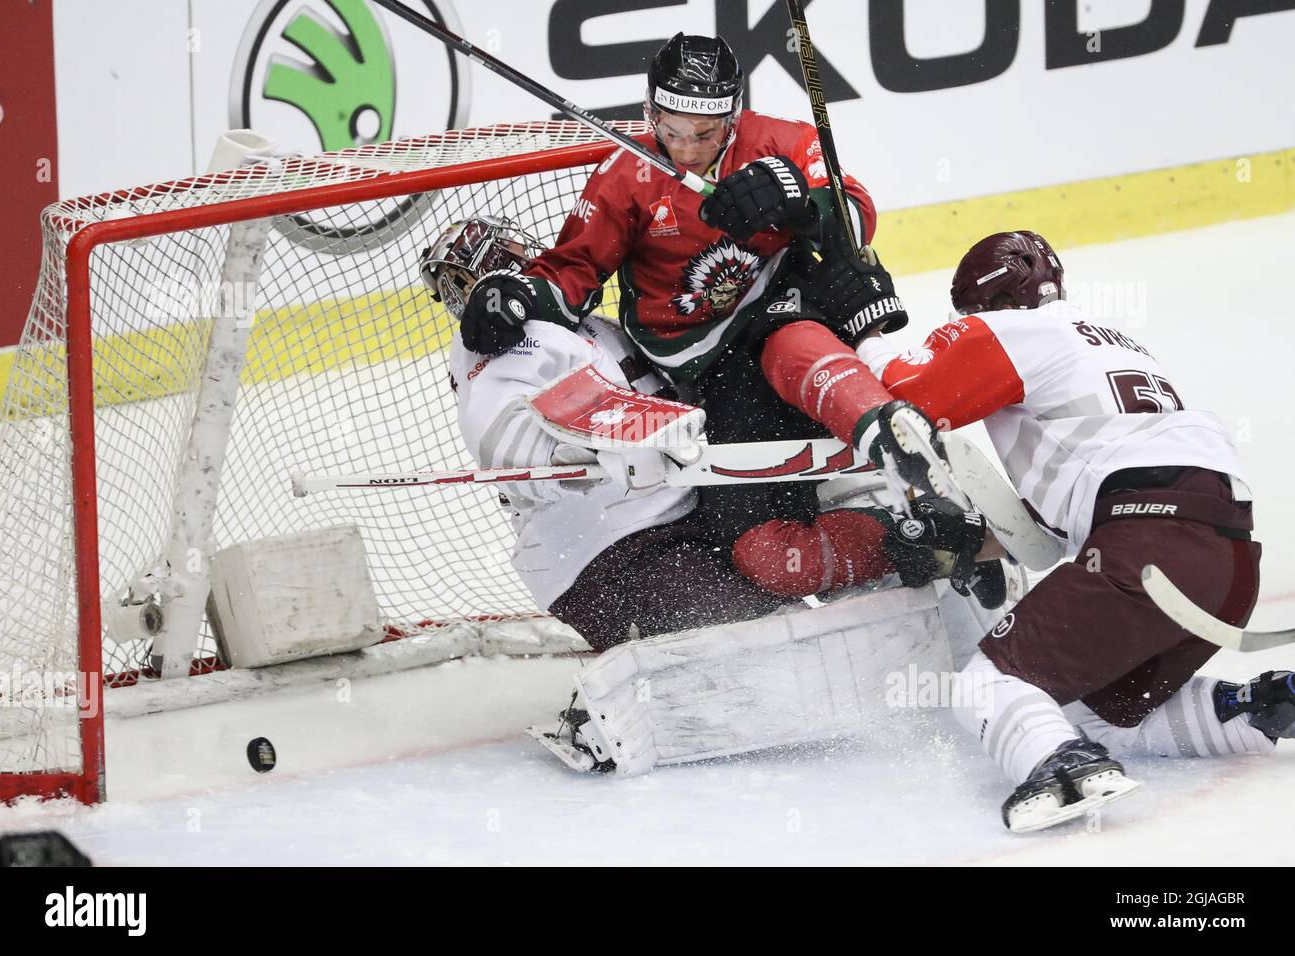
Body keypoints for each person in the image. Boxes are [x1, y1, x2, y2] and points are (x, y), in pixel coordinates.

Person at [453, 33, 952, 559]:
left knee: (817, 306)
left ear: (732, 118)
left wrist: (802, 206)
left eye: (705, 134)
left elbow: (856, 217)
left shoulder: (780, 143)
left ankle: (887, 424)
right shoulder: (627, 175)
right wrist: (516, 295)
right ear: (650, 112)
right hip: (709, 372)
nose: (687, 150)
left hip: (793, 315)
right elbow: (573, 269)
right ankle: (911, 544)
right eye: (671, 131)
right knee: (756, 550)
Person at [857, 229, 1290, 831]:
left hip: (1147, 549)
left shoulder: (1018, 331)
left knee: (990, 683)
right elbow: (1054, 531)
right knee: (1100, 713)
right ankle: (1254, 706)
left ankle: (1062, 769)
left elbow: (905, 392)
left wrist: (863, 327)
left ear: (983, 307)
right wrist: (966, 544)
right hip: (1227, 561)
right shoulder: (1115, 350)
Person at [422, 216, 989, 651]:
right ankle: (904, 549)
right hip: (616, 555)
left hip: (693, 512)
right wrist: (588, 446)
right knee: (769, 641)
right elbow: (500, 439)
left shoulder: (593, 325)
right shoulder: (493, 341)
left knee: (784, 559)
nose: (521, 261)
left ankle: (915, 538)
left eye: (517, 250)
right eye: (501, 258)